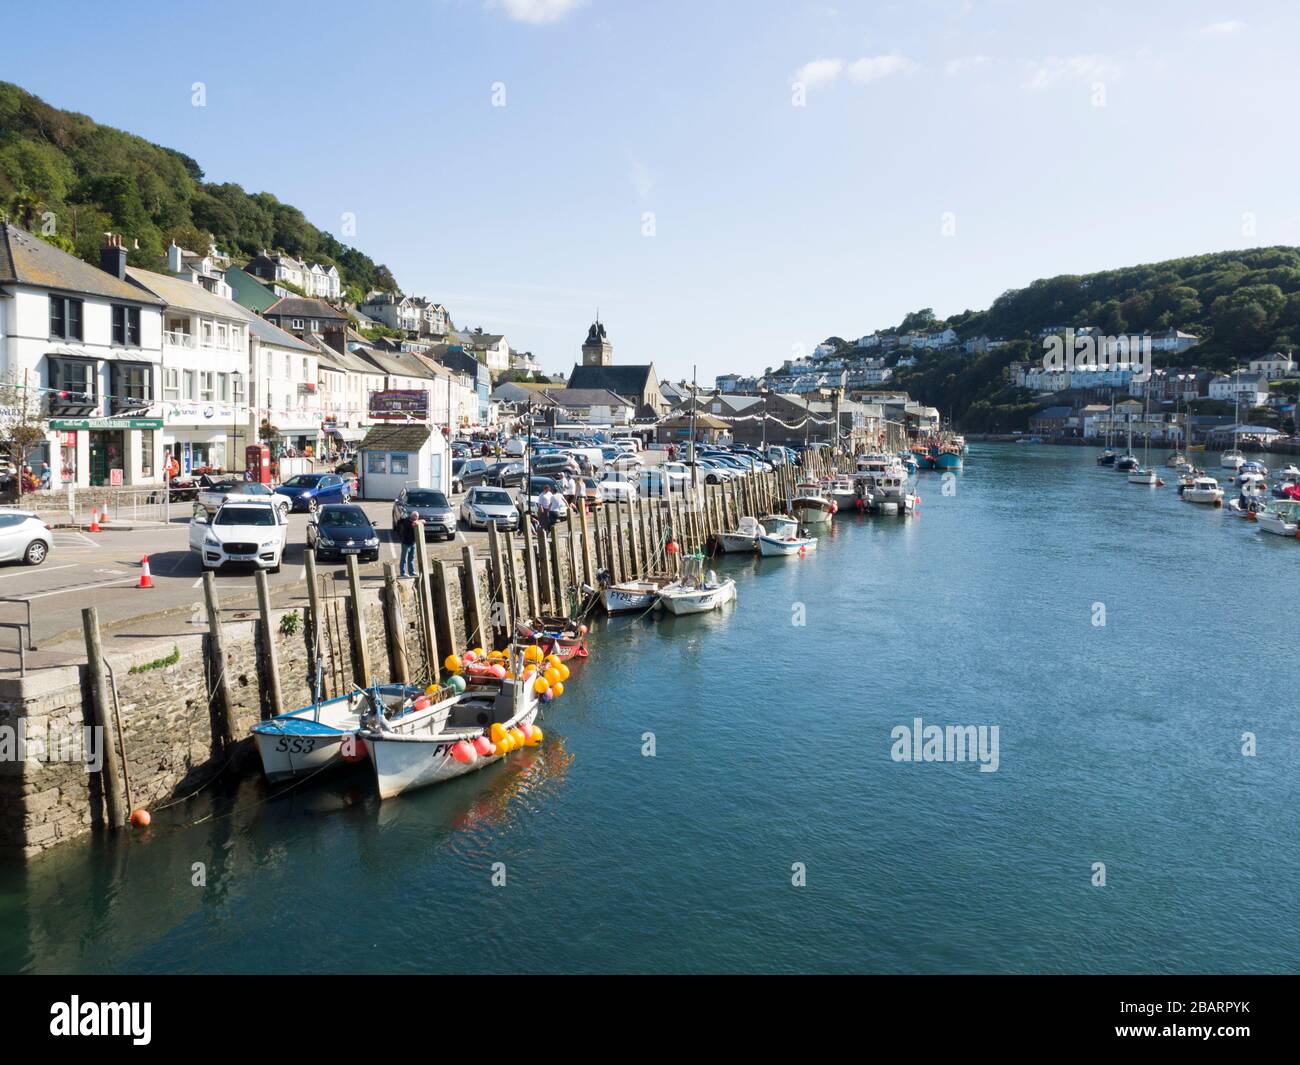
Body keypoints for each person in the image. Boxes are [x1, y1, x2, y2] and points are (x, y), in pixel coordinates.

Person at [399, 511, 419, 577]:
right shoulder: (407, 521)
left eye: (417, 518)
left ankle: (411, 572)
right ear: (412, 517)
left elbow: (424, 521)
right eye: (416, 518)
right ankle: (402, 573)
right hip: (406, 543)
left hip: (412, 543)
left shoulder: (413, 520)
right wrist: (417, 522)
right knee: (404, 559)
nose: (417, 519)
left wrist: (418, 521)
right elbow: (413, 524)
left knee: (411, 558)